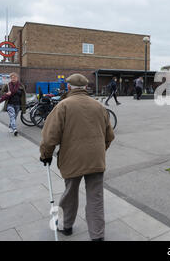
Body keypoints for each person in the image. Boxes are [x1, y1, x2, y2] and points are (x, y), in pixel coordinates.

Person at [39, 74, 115, 241]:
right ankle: (97, 236)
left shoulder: (63, 105)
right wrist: (99, 151)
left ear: (68, 87)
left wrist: (46, 155)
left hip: (71, 159)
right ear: (85, 88)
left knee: (70, 193)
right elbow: (110, 136)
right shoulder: (99, 106)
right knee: (96, 197)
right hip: (96, 159)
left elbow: (49, 137)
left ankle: (67, 226)